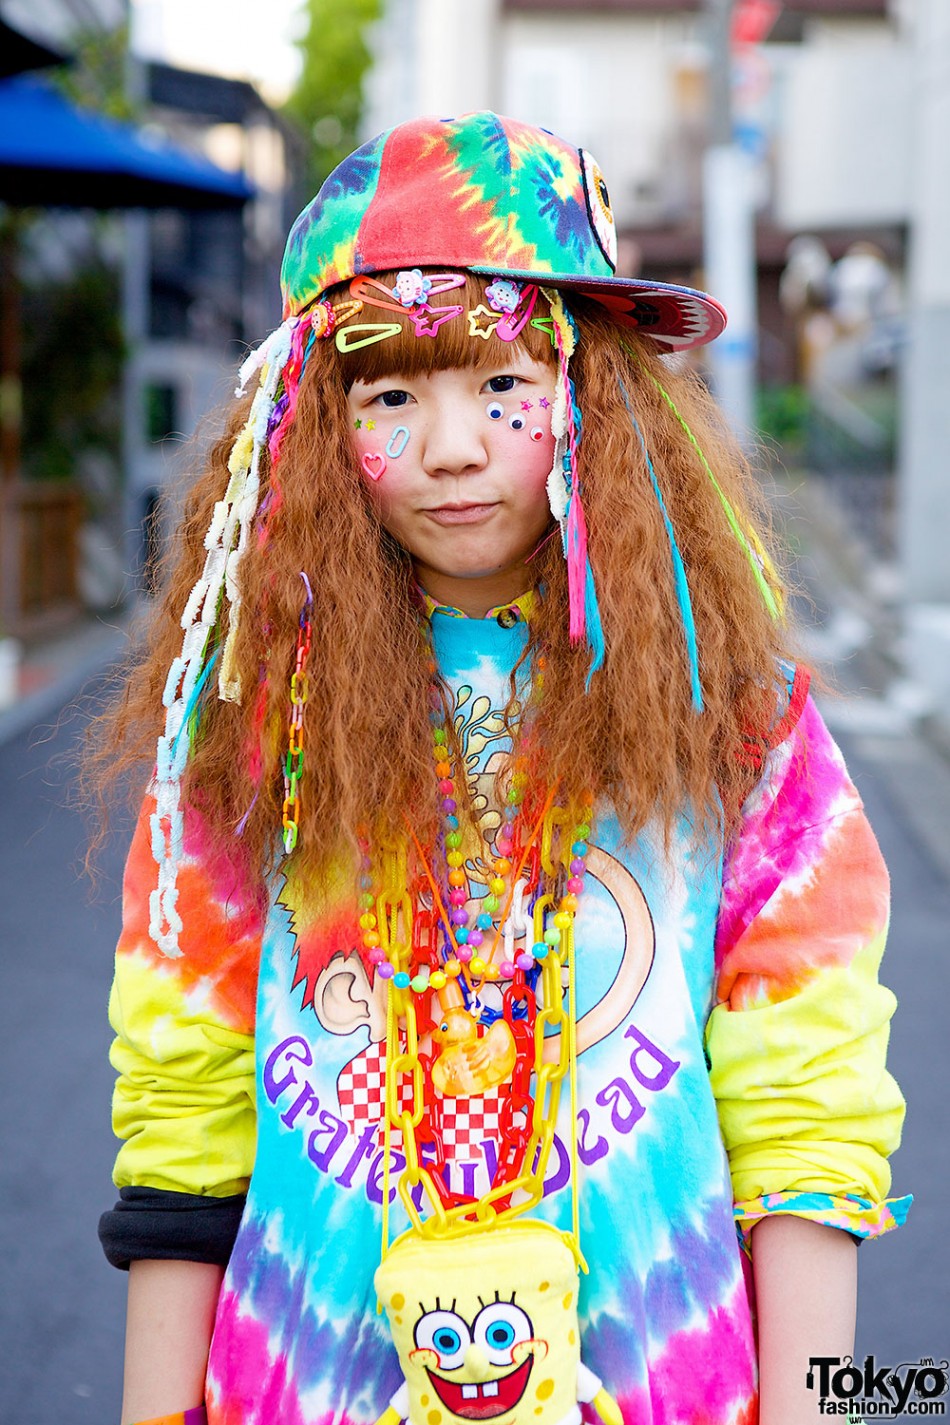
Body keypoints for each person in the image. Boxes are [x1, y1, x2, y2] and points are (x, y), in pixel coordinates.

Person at [93, 112, 909, 1425]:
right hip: (311, 1385)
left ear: (591, 393)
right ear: (315, 425)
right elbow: (181, 1102)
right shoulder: (250, 714)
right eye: (392, 394)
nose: (452, 445)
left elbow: (805, 1094)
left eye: (500, 384)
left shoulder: (728, 711)